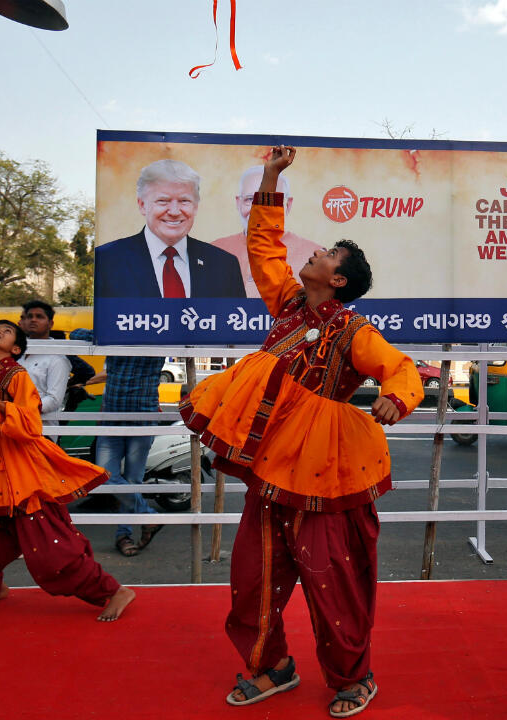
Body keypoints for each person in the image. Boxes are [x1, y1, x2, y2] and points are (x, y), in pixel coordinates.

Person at [178, 146, 422, 715]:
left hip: (319, 476)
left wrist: (396, 399)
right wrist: (270, 176)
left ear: (337, 279)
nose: (314, 252)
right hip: (268, 472)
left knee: (331, 581)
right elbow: (264, 248)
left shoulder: (354, 331)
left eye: (328, 253)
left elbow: (401, 367)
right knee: (252, 578)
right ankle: (272, 668)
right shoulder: (289, 305)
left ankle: (352, 678)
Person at [0, 320, 135, 621]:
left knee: (49, 547)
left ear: (15, 349)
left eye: (6, 331)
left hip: (19, 472)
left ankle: (113, 591)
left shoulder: (17, 375)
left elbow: (29, 424)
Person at [69, 328, 164, 557]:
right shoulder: (116, 331)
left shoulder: (161, 335)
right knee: (104, 475)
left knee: (132, 481)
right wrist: (110, 327)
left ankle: (124, 535)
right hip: (111, 418)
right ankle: (147, 516)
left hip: (143, 418)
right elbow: (76, 334)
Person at [95, 159, 246, 299]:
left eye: (184, 201)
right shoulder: (106, 261)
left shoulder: (225, 265)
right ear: (142, 205)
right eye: (163, 201)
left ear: (195, 206)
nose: (174, 211)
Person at [213, 165, 322, 297]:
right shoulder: (214, 251)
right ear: (238, 203)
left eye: (271, 200)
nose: (259, 210)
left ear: (288, 205)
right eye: (250, 199)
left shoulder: (314, 256)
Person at [17, 301, 70, 418]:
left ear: (50, 324)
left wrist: (20, 410)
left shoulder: (57, 359)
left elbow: (54, 400)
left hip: (41, 424)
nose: (33, 320)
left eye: (39, 317)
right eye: (29, 316)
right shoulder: (16, 352)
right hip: (12, 422)